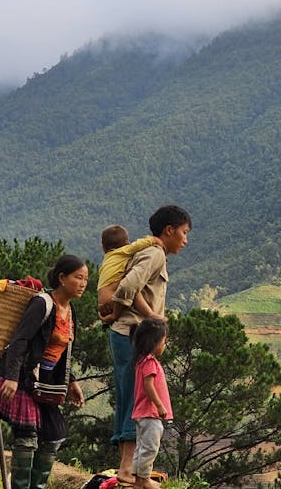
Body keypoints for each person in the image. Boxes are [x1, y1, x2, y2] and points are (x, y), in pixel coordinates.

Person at [108, 205, 191, 485]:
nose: (185, 239)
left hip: (125, 335)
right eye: (183, 232)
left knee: (129, 398)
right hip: (131, 336)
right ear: (168, 230)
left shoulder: (154, 253)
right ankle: (127, 469)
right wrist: (153, 316)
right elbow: (127, 287)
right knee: (137, 401)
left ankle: (127, 467)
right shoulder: (155, 254)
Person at [0, 254, 88, 489]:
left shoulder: (70, 310)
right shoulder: (42, 304)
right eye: (78, 277)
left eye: (86, 279)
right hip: (26, 378)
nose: (83, 283)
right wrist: (12, 377)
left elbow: (64, 350)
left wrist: (72, 381)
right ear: (61, 278)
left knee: (52, 437)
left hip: (47, 383)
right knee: (27, 440)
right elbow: (21, 340)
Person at [130, 318, 172, 489]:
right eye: (163, 341)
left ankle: (138, 480)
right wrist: (160, 405)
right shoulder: (149, 362)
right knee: (150, 447)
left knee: (141, 447)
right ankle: (144, 479)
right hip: (150, 413)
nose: (165, 345)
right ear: (154, 343)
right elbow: (149, 386)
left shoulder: (141, 361)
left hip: (143, 414)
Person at [97, 224, 161, 325]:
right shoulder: (122, 252)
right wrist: (154, 240)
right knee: (133, 289)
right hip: (112, 297)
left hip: (102, 300)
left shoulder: (107, 259)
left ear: (103, 248)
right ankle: (150, 314)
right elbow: (138, 245)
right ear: (127, 243)